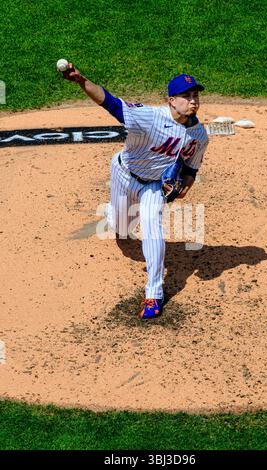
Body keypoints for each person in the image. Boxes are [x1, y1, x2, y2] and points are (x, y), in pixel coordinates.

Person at [62, 64, 208, 319]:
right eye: (187, 96)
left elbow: (191, 168)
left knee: (152, 226)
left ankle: (154, 293)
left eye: (195, 95)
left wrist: (184, 185)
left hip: (153, 186)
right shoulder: (150, 117)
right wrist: (81, 81)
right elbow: (111, 103)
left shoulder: (199, 134)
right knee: (122, 228)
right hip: (124, 174)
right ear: (172, 101)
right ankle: (112, 213)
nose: (193, 101)